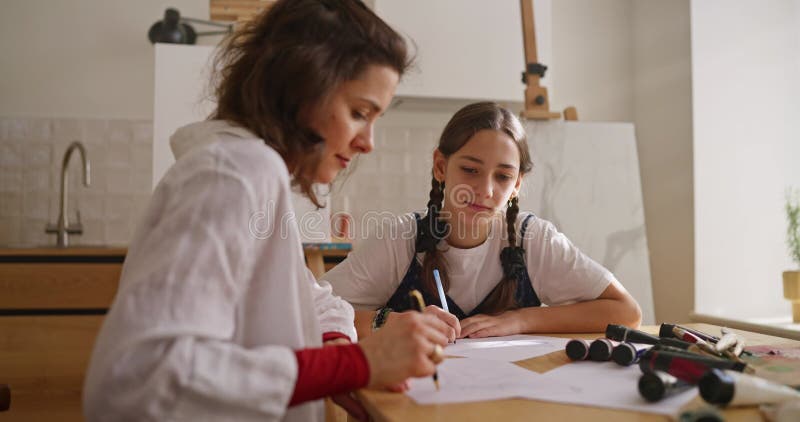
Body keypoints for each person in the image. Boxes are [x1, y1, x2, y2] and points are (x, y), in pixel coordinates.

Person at [82, 1, 451, 421]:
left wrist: (337, 353)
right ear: (302, 88)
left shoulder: (254, 172)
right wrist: (358, 364)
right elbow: (146, 377)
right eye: (358, 113)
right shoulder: (234, 174)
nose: (369, 142)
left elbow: (311, 300)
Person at [323, 102, 643, 341]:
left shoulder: (533, 239)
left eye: (503, 176)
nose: (485, 190)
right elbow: (312, 313)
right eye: (470, 170)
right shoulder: (401, 239)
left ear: (517, 184)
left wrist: (520, 321)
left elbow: (626, 313)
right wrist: (390, 322)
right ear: (440, 167)